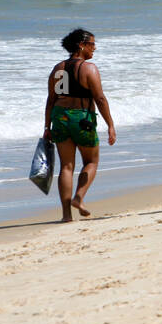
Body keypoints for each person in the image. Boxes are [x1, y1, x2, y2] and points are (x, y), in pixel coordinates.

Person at [44, 29, 115, 222]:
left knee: (66, 167)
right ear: (81, 45)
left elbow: (51, 100)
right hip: (82, 118)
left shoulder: (58, 69)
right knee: (91, 162)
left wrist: (47, 127)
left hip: (59, 118)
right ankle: (79, 197)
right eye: (92, 44)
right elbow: (99, 98)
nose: (95, 48)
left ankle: (66, 215)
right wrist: (110, 125)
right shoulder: (89, 68)